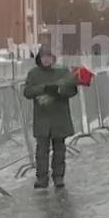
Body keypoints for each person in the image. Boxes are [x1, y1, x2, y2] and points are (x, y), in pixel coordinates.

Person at [23, 48, 80, 190]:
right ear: (39, 58)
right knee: (41, 150)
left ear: (53, 58)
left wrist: (59, 90)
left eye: (49, 56)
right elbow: (27, 92)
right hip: (42, 118)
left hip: (59, 117)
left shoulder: (62, 72)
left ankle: (58, 176)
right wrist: (43, 88)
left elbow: (72, 90)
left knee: (59, 149)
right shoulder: (33, 74)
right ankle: (42, 178)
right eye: (43, 57)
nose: (46, 59)